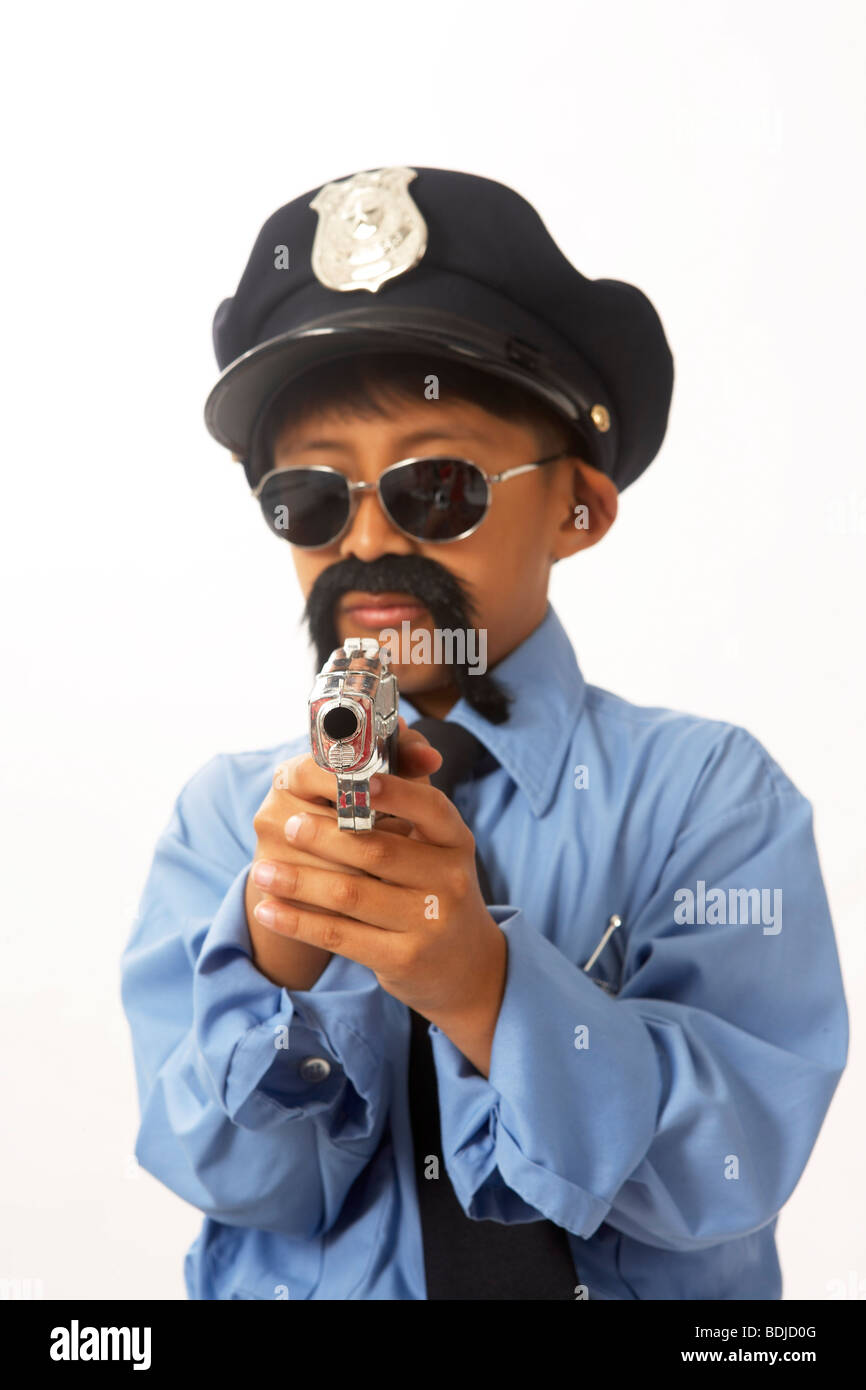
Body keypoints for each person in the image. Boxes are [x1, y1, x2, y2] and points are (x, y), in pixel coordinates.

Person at [121, 166, 848, 1300]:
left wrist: (487, 984)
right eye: (308, 497)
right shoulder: (228, 824)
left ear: (578, 509)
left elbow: (732, 1162)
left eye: (435, 485)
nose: (363, 541)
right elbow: (235, 1180)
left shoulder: (710, 795)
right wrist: (275, 965)